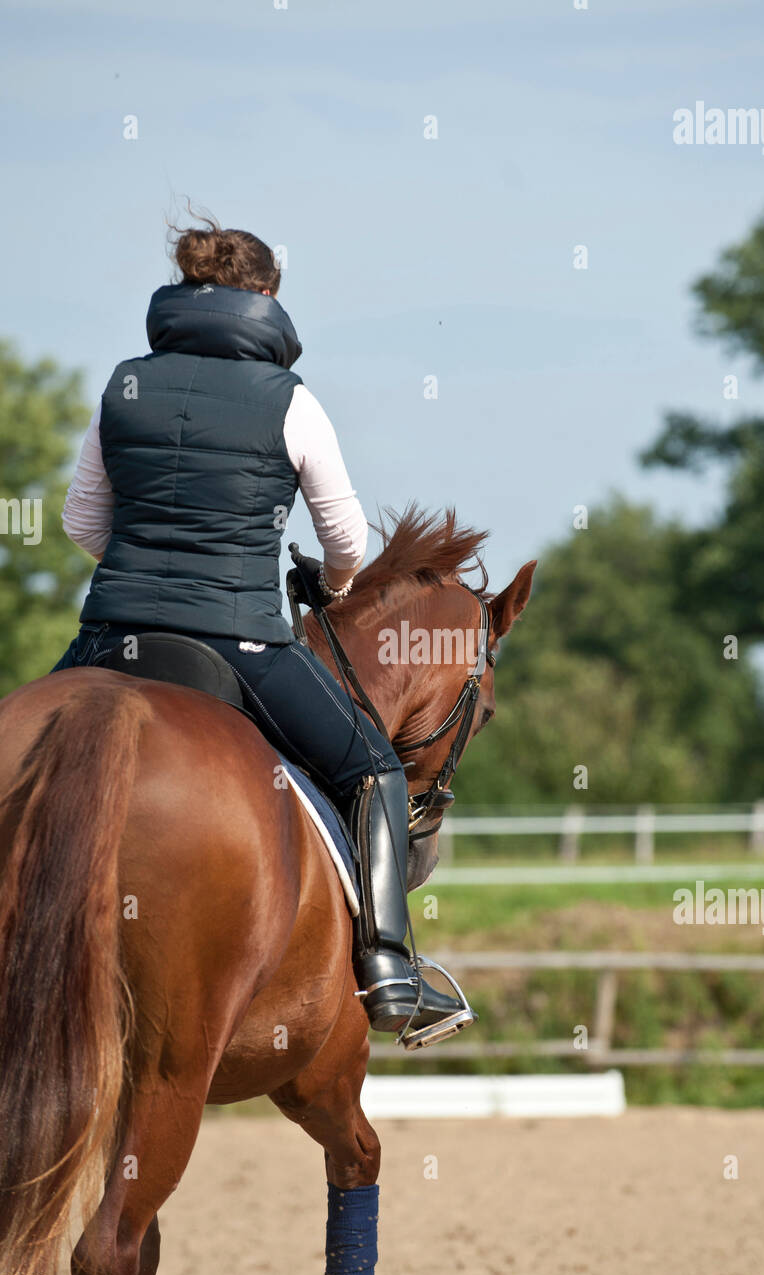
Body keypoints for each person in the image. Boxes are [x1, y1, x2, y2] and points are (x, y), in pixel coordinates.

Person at [53, 216, 473, 1046]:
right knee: (373, 768)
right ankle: (391, 967)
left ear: (181, 291)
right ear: (267, 298)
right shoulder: (293, 401)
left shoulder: (124, 384)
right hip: (237, 637)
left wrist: (145, 564)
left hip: (111, 635)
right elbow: (346, 540)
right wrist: (333, 585)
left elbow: (81, 525)